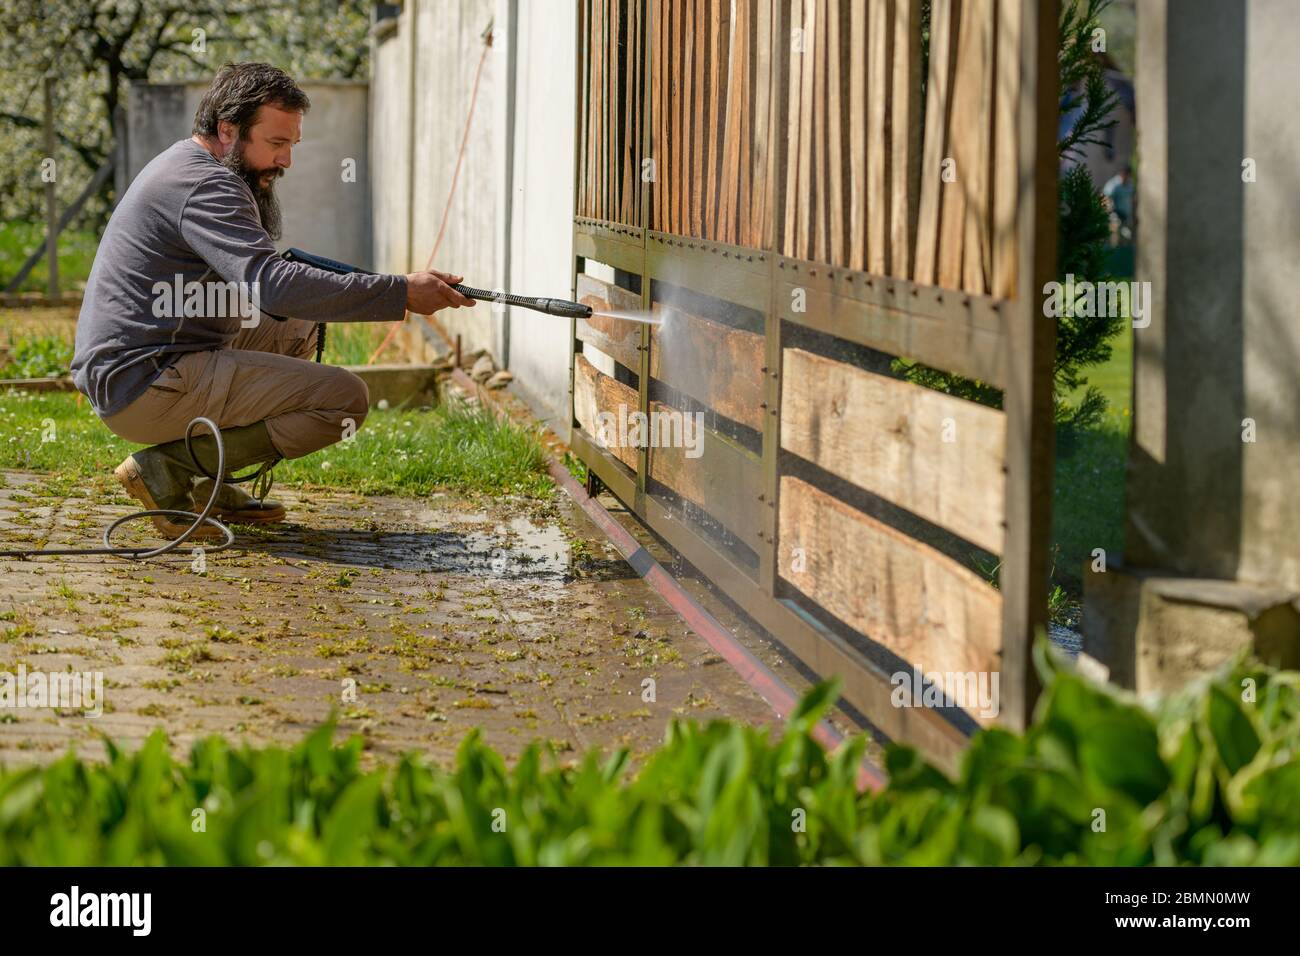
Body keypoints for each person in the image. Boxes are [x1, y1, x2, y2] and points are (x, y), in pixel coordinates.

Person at [70, 62, 472, 540]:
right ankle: (167, 469)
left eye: (291, 145)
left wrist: (378, 288)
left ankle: (206, 484)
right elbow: (272, 284)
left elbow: (272, 291)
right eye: (276, 144)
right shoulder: (206, 185)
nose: (286, 161)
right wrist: (399, 292)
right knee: (344, 400)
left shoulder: (187, 163)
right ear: (227, 130)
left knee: (297, 325)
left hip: (145, 364)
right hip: (143, 382)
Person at [1102, 164, 1135, 244]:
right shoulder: (1114, 185)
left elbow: (1133, 199)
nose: (1127, 177)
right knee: (1115, 237)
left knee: (1127, 237)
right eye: (1125, 174)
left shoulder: (1130, 185)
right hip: (1115, 216)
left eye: (1128, 175)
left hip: (1126, 216)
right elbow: (1105, 198)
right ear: (1121, 174)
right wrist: (1109, 212)